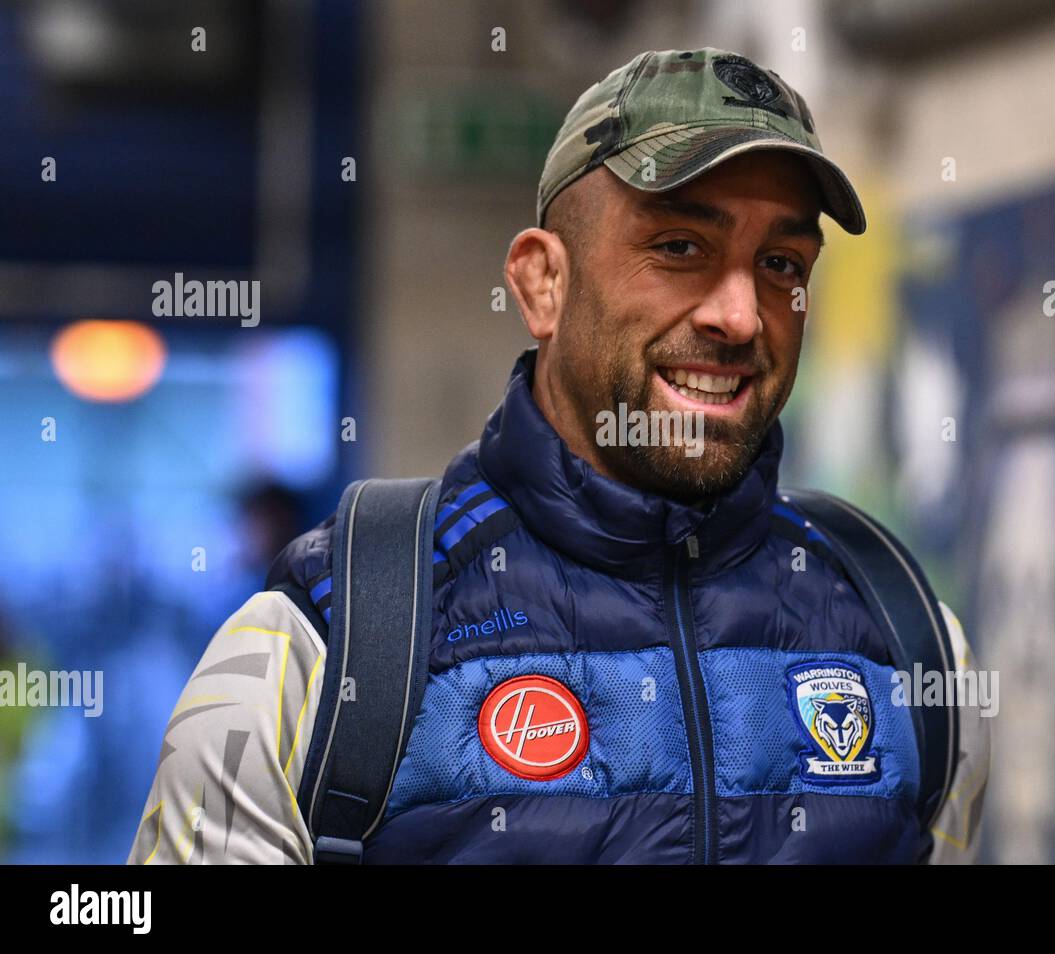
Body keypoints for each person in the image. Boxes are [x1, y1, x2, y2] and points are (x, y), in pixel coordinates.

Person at [128, 47, 989, 865]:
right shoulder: (323, 645)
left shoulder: (909, 644)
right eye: (679, 248)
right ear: (544, 283)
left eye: (781, 262)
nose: (740, 315)